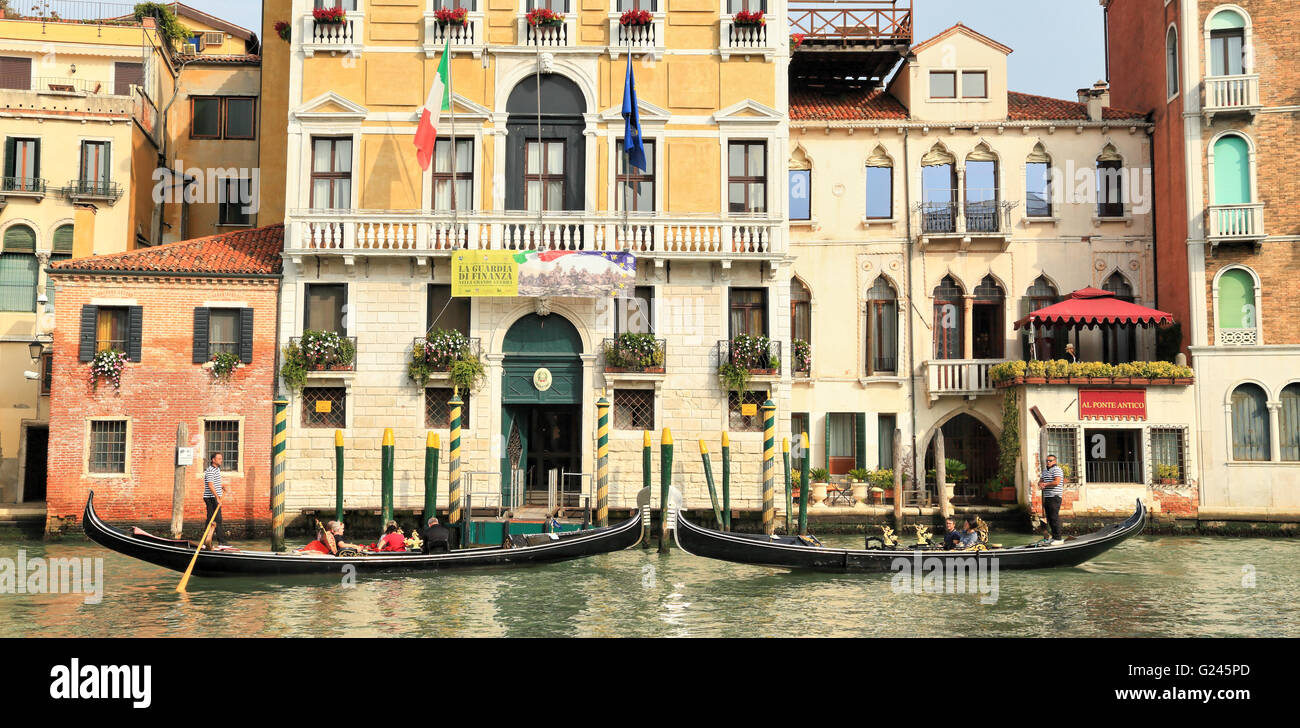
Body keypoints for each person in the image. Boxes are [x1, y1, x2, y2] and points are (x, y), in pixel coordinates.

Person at [202, 452, 231, 548]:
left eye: (221, 458)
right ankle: (221, 541)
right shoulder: (210, 470)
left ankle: (209, 541)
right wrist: (217, 498)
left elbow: (214, 483)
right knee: (216, 519)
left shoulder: (217, 469)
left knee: (214, 519)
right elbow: (210, 485)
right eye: (219, 459)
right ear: (213, 460)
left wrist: (222, 486)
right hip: (211, 498)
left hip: (214, 497)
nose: (221, 460)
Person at [1039, 454, 1065, 545]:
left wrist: (1045, 484)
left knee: (1054, 517)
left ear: (1055, 461)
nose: (1048, 462)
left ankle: (1058, 539)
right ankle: (1054, 537)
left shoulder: (1057, 469)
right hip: (1047, 496)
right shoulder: (1045, 470)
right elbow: (1041, 480)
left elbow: (1057, 482)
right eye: (1047, 461)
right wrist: (1040, 484)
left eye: (1050, 460)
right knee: (1049, 518)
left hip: (1055, 496)